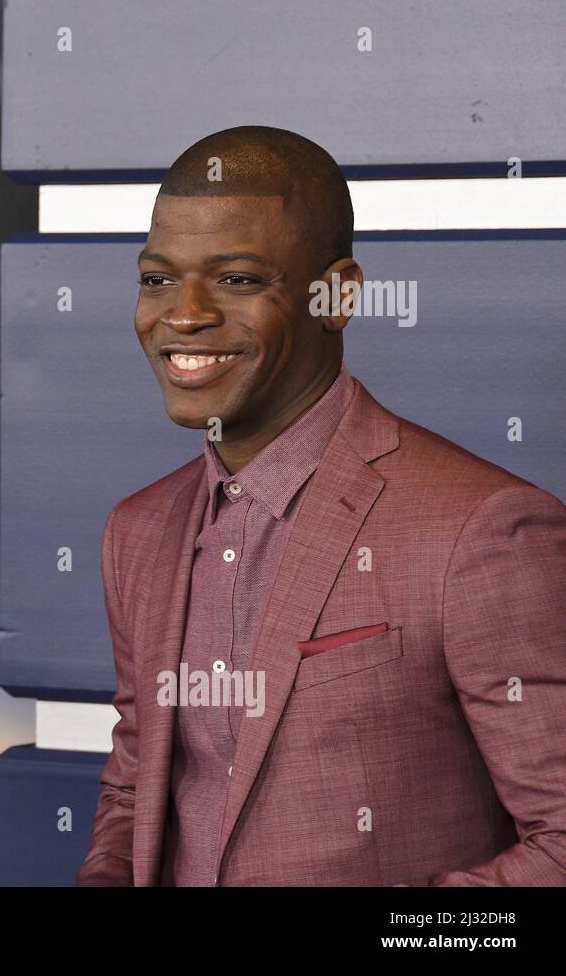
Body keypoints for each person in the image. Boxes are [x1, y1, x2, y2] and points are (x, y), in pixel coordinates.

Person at [77, 125, 566, 886]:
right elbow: (135, 787)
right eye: (157, 278)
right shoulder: (135, 532)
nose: (183, 314)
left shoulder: (485, 530)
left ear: (337, 295)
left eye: (237, 280)